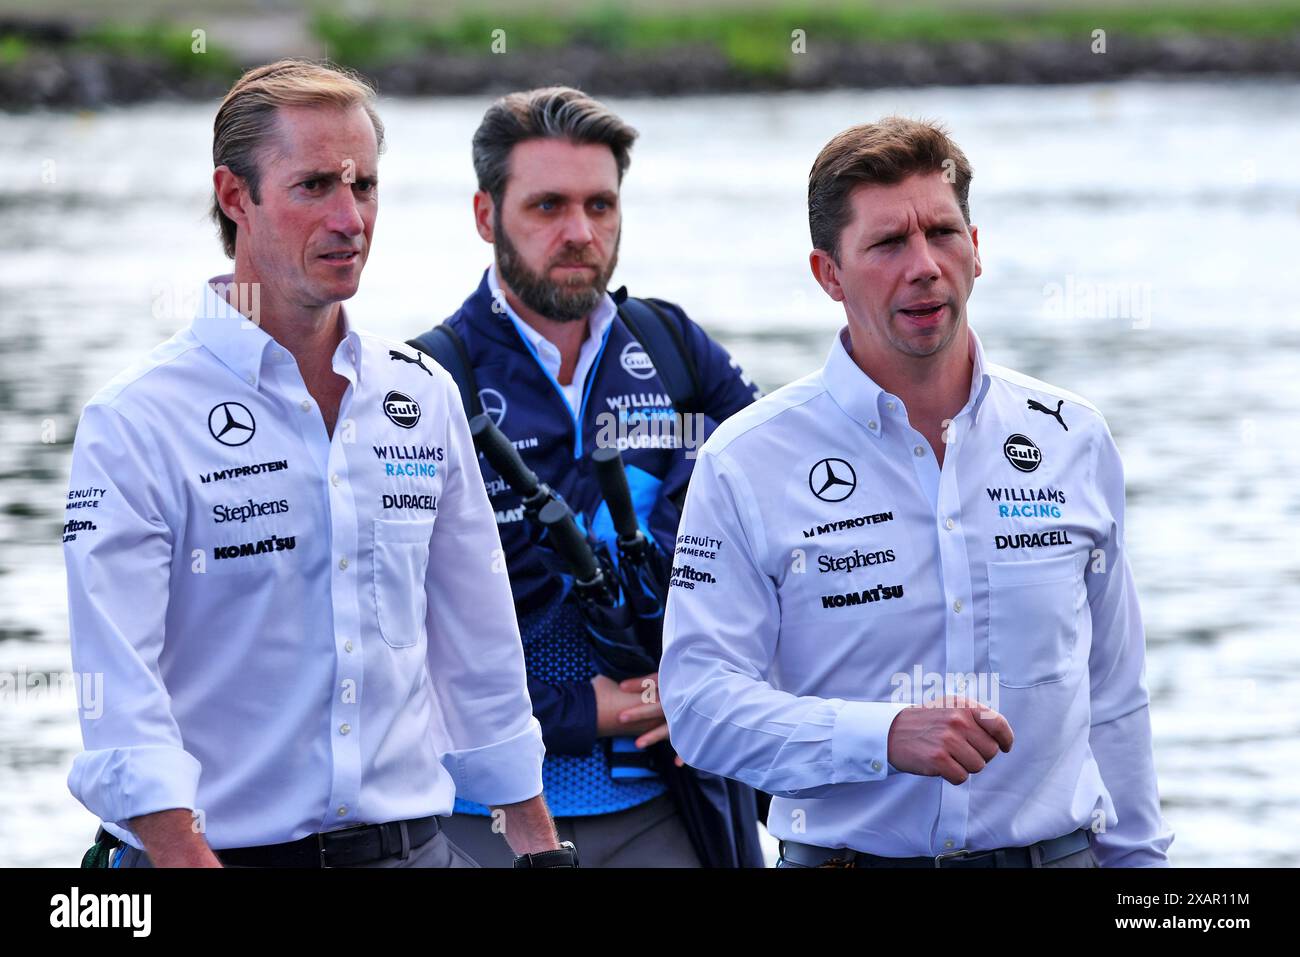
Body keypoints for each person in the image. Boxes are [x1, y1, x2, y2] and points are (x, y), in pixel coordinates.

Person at [62, 60, 572, 869]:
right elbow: (119, 694)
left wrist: (541, 845)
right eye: (313, 188)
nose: (350, 218)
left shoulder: (423, 394)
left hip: (414, 851)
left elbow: (477, 647)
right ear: (236, 197)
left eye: (364, 186)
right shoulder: (136, 421)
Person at [659, 116, 1174, 868]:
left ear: (977, 248)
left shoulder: (1074, 437)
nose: (925, 265)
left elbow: (1116, 698)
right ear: (828, 273)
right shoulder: (745, 459)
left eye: (943, 232)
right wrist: (883, 736)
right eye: (888, 244)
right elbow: (700, 708)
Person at [411, 87, 764, 867]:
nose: (579, 233)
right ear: (485, 215)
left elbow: (783, 537)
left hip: (668, 807)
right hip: (482, 816)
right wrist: (582, 714)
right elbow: (384, 640)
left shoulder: (673, 345)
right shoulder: (425, 378)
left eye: (601, 205)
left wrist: (718, 688)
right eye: (547, 206)